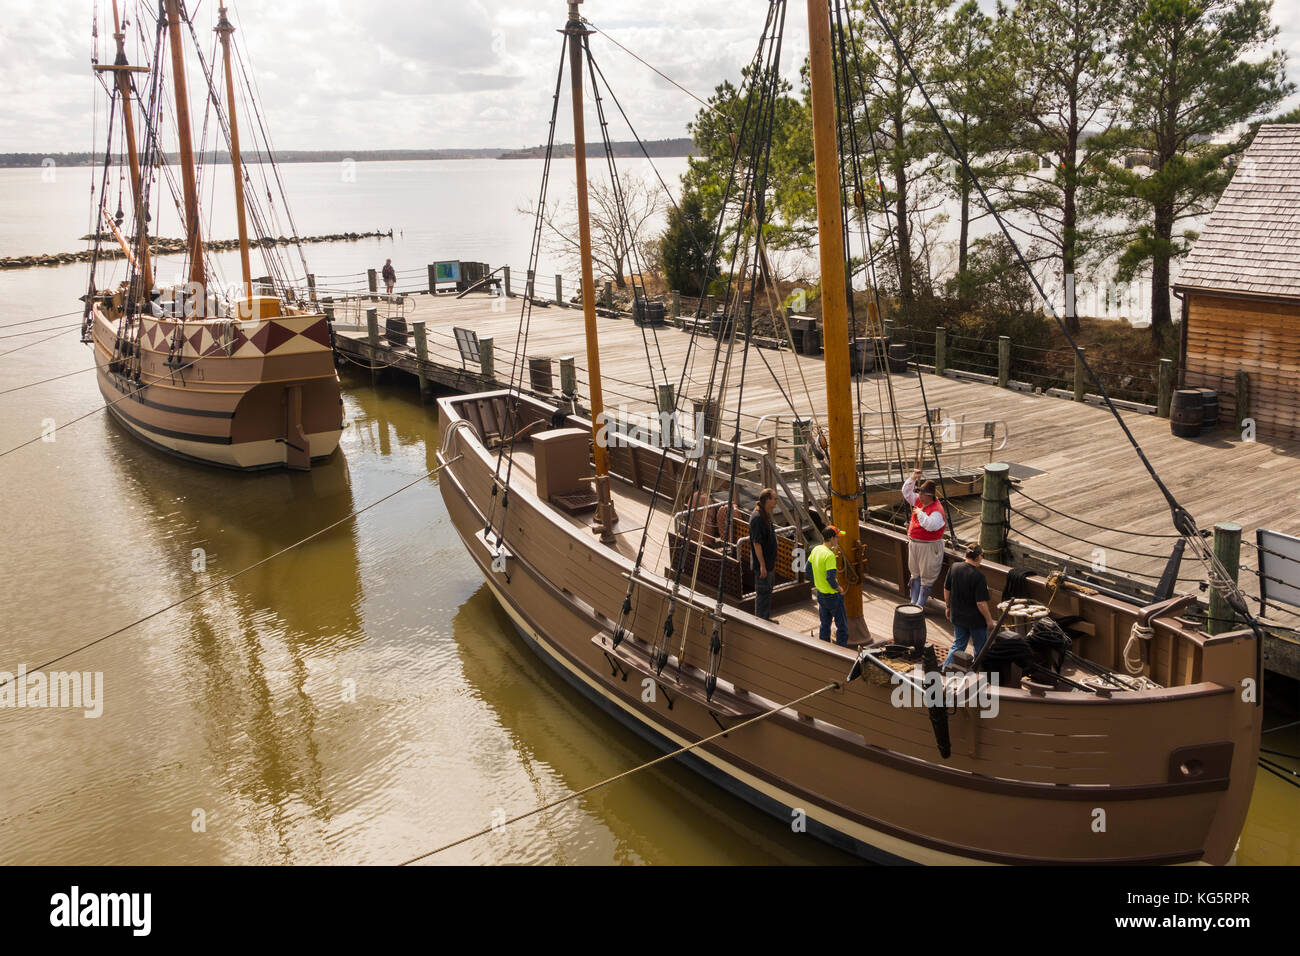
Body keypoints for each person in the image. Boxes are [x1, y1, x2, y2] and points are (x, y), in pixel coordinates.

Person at [943, 543, 997, 668]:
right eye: (982, 556)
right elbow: (981, 603)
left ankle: (946, 669)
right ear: (978, 557)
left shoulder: (954, 567)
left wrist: (947, 607)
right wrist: (989, 620)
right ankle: (977, 672)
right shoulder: (979, 577)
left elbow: (947, 589)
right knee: (980, 648)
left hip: (958, 616)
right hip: (976, 620)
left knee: (958, 645)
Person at [902, 468, 946, 608]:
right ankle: (913, 601)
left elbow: (930, 526)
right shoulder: (919, 501)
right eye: (919, 493)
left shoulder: (937, 510)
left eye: (922, 494)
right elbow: (906, 492)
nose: (919, 496)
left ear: (929, 496)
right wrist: (913, 478)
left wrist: (920, 513)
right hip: (914, 543)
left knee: (927, 576)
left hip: (928, 546)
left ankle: (920, 603)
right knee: (915, 573)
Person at [807, 525, 848, 646]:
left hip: (821, 594)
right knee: (842, 627)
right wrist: (839, 588)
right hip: (833, 596)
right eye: (837, 538)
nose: (838, 540)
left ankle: (824, 648)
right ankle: (841, 652)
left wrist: (818, 582)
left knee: (825, 624)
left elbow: (808, 569)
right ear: (831, 539)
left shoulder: (816, 549)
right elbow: (830, 578)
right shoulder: (830, 556)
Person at [749, 488, 778, 620]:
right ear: (767, 500)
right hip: (763, 564)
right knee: (762, 593)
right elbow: (757, 543)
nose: (776, 501)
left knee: (767, 592)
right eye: (774, 498)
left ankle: (765, 618)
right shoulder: (757, 518)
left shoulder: (765, 514)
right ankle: (760, 621)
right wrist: (762, 565)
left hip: (769, 563)